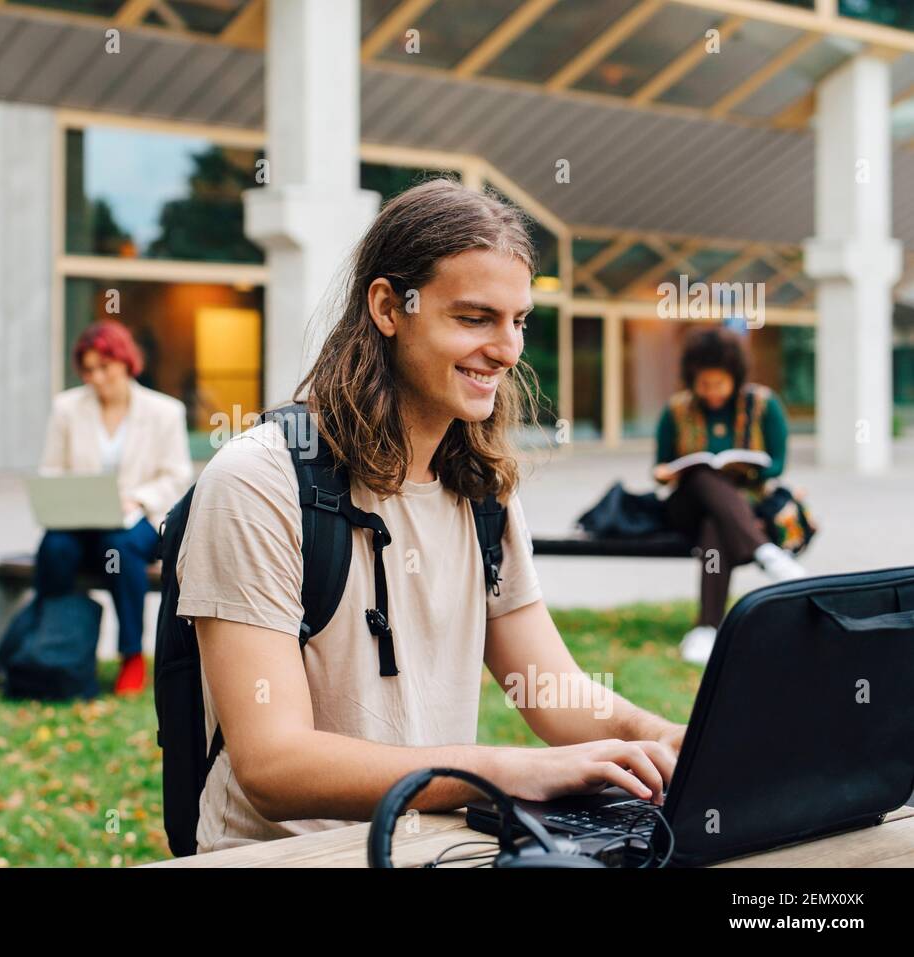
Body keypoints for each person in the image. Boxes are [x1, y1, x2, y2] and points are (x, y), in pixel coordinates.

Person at [175, 179, 687, 854]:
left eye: (519, 321)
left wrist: (666, 738)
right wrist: (503, 771)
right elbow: (273, 765)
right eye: (475, 319)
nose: (507, 350)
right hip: (286, 853)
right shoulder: (259, 481)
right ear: (389, 307)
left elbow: (552, 688)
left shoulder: (481, 489)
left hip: (431, 846)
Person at [35, 320, 193, 695]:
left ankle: (131, 655)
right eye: (88, 370)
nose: (96, 378)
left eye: (104, 367)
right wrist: (76, 495)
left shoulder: (164, 412)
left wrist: (136, 499)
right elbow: (51, 470)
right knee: (54, 547)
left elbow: (177, 476)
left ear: (125, 363)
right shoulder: (67, 408)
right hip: (83, 519)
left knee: (119, 549)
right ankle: (57, 646)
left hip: (139, 520)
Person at [653, 326, 806, 665]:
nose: (711, 392)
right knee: (704, 474)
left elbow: (777, 463)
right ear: (692, 378)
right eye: (703, 384)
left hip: (744, 509)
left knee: (716, 525)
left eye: (718, 383)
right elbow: (660, 467)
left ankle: (707, 628)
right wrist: (665, 472)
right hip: (686, 507)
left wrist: (747, 470)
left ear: (734, 377)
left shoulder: (763, 405)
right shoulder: (677, 409)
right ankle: (766, 553)